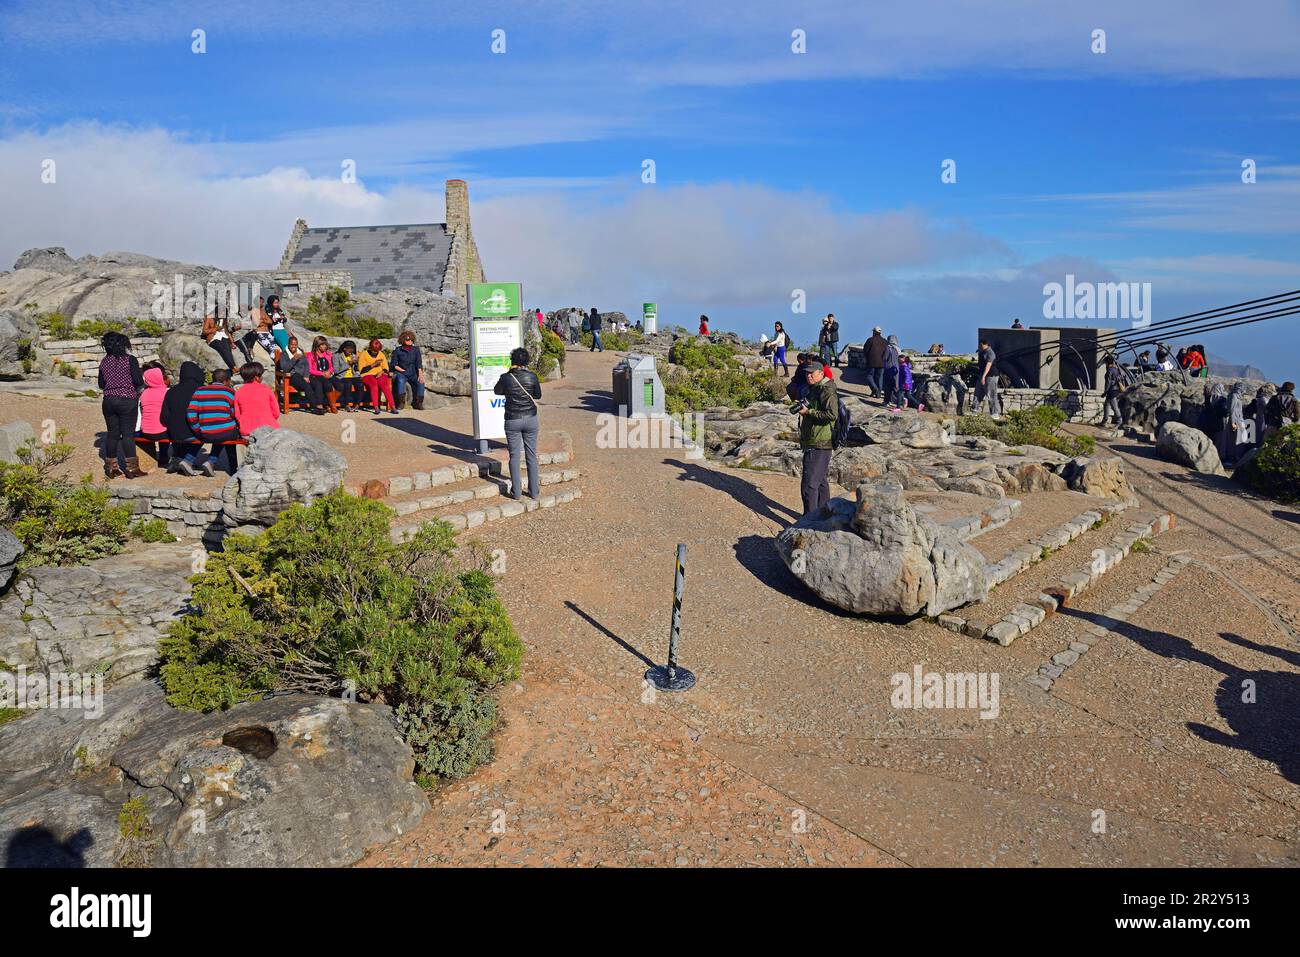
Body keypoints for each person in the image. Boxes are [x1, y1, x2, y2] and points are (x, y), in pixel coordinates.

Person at [493, 347, 542, 500]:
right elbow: (538, 395)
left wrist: (508, 375)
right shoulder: (532, 377)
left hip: (512, 419)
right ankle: (534, 492)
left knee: (514, 456)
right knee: (531, 455)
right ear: (526, 361)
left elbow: (497, 391)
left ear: (513, 361)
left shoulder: (506, 377)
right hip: (530, 418)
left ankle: (517, 493)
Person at [97, 331, 147, 479]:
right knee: (127, 435)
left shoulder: (104, 362)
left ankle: (111, 468)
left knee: (112, 435)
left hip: (109, 401)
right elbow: (138, 381)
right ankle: (132, 469)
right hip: (127, 400)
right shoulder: (129, 360)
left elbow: (101, 384)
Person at [795, 360, 837, 517]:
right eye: (807, 373)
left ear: (821, 373)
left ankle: (809, 519)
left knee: (809, 484)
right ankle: (824, 515)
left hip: (820, 441)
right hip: (815, 439)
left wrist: (809, 412)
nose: (809, 375)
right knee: (820, 481)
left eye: (812, 373)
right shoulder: (816, 388)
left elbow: (832, 414)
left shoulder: (826, 390)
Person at [186, 367, 241, 475]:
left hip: (206, 432)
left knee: (217, 433)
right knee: (228, 434)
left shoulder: (200, 390)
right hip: (226, 432)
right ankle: (231, 468)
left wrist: (198, 430)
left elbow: (191, 414)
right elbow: (235, 413)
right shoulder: (230, 392)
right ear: (226, 381)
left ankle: (192, 460)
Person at [161, 361, 209, 475]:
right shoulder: (201, 390)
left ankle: (178, 458)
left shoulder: (171, 391)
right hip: (193, 432)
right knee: (202, 434)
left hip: (174, 434)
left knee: (179, 430)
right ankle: (187, 459)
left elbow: (164, 417)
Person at [135, 363, 171, 469]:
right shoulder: (166, 392)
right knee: (168, 428)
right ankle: (165, 457)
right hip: (162, 433)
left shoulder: (143, 394)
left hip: (146, 431)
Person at [278, 335, 322, 414]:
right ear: (288, 344)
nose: (293, 346)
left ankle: (319, 404)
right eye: (292, 344)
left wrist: (306, 375)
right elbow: (284, 368)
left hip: (304, 375)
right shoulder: (284, 354)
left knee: (317, 384)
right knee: (306, 385)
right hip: (293, 376)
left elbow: (306, 364)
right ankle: (314, 406)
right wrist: (294, 359)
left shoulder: (300, 352)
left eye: (295, 344)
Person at [234, 361, 280, 436]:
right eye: (261, 375)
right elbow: (276, 413)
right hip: (269, 429)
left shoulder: (238, 392)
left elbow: (237, 415)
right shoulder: (267, 389)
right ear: (256, 377)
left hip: (247, 431)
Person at [357, 337, 397, 413]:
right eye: (374, 350)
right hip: (367, 375)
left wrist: (382, 372)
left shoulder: (381, 354)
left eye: (377, 351)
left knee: (385, 386)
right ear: (370, 348)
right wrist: (373, 364)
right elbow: (361, 370)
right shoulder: (364, 354)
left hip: (380, 373)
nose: (376, 352)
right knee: (374, 385)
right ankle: (376, 407)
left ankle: (393, 407)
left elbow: (386, 368)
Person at [391, 330, 425, 411]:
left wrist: (420, 375)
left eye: (411, 340)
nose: (410, 341)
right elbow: (393, 364)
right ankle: (401, 403)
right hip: (401, 372)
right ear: (403, 340)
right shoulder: (398, 350)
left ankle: (418, 403)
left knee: (421, 382)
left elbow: (419, 363)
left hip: (413, 372)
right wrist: (401, 370)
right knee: (400, 380)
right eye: (407, 339)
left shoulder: (416, 350)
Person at [306, 335, 336, 414]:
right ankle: (321, 404)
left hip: (327, 375)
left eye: (325, 344)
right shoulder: (311, 355)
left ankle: (329, 404)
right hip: (315, 376)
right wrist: (322, 373)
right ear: (317, 345)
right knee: (324, 384)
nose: (324, 346)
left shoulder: (328, 355)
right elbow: (310, 370)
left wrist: (329, 372)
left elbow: (332, 366)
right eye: (322, 345)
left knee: (334, 384)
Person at [202, 303, 237, 370]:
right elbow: (204, 331)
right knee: (221, 348)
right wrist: (216, 329)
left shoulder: (224, 319)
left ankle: (234, 367)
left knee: (227, 348)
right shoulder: (209, 318)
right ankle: (233, 367)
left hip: (224, 337)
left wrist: (232, 342)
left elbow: (227, 331)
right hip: (213, 338)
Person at [333, 340, 365, 411]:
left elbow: (357, 370)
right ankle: (346, 404)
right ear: (344, 348)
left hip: (353, 376)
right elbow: (336, 370)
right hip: (342, 376)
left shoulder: (353, 355)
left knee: (360, 384)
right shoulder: (336, 356)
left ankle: (357, 404)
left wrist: (356, 364)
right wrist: (348, 364)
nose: (351, 351)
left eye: (353, 349)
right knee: (348, 384)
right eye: (349, 349)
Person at [976, 336, 1001, 416]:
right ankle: (974, 410)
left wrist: (983, 376)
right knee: (978, 393)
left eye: (981, 345)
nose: (979, 346)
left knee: (991, 394)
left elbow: (988, 365)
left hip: (991, 376)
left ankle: (994, 413)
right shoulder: (982, 352)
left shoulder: (990, 353)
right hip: (982, 375)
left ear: (985, 344)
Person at [1100, 355, 1126, 428]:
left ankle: (1119, 421)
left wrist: (1105, 392)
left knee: (1114, 407)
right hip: (1116, 389)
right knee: (1106, 405)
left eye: (1105, 362)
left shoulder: (1109, 370)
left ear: (1107, 362)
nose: (1105, 364)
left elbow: (1107, 382)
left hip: (1111, 390)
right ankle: (1104, 421)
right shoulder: (1116, 369)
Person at [864, 325, 888, 398]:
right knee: (879, 378)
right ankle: (878, 394)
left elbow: (865, 350)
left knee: (869, 376)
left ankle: (875, 389)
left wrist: (867, 358)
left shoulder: (870, 340)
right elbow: (887, 351)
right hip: (882, 362)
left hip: (871, 362)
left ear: (874, 332)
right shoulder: (885, 341)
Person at [882, 334, 901, 407]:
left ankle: (886, 402)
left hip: (888, 369)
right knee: (896, 387)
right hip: (896, 370)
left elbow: (885, 358)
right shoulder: (898, 349)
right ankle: (898, 402)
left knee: (888, 386)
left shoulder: (888, 348)